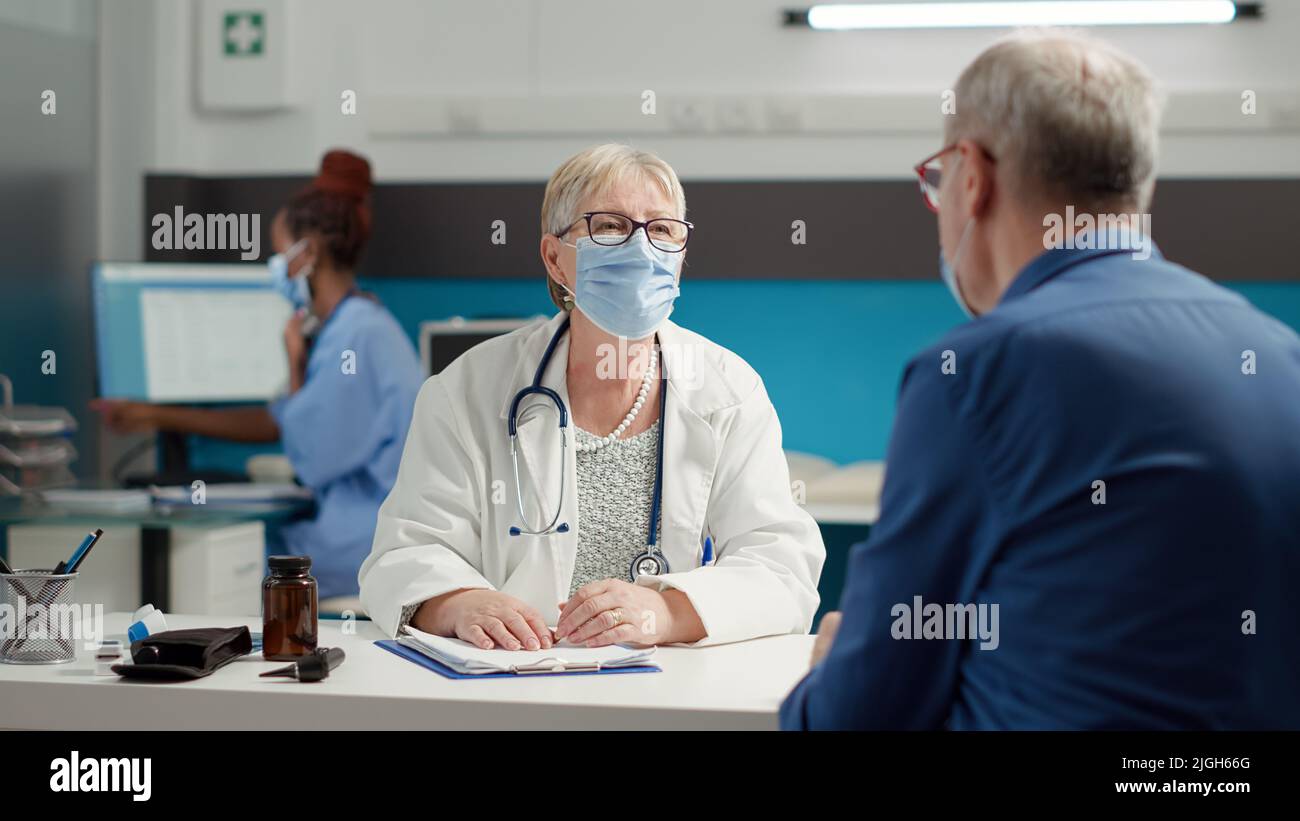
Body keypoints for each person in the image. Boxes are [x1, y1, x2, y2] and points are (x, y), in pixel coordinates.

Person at [781, 30, 1300, 730]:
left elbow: (865, 710)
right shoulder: (1277, 354)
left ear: (971, 175)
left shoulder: (977, 371)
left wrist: (831, 671)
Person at [360, 143, 825, 649]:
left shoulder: (727, 390)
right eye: (609, 227)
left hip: (672, 690)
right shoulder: (467, 390)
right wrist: (458, 603)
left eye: (663, 229)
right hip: (511, 687)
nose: (641, 249)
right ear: (555, 259)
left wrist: (666, 612)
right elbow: (403, 554)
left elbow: (781, 565)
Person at [94, 150, 423, 599]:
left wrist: (292, 365)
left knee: (227, 562)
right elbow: (308, 429)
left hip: (361, 540)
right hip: (359, 527)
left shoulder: (357, 335)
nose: (275, 269)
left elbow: (308, 450)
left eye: (278, 254)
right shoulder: (357, 325)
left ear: (307, 254)